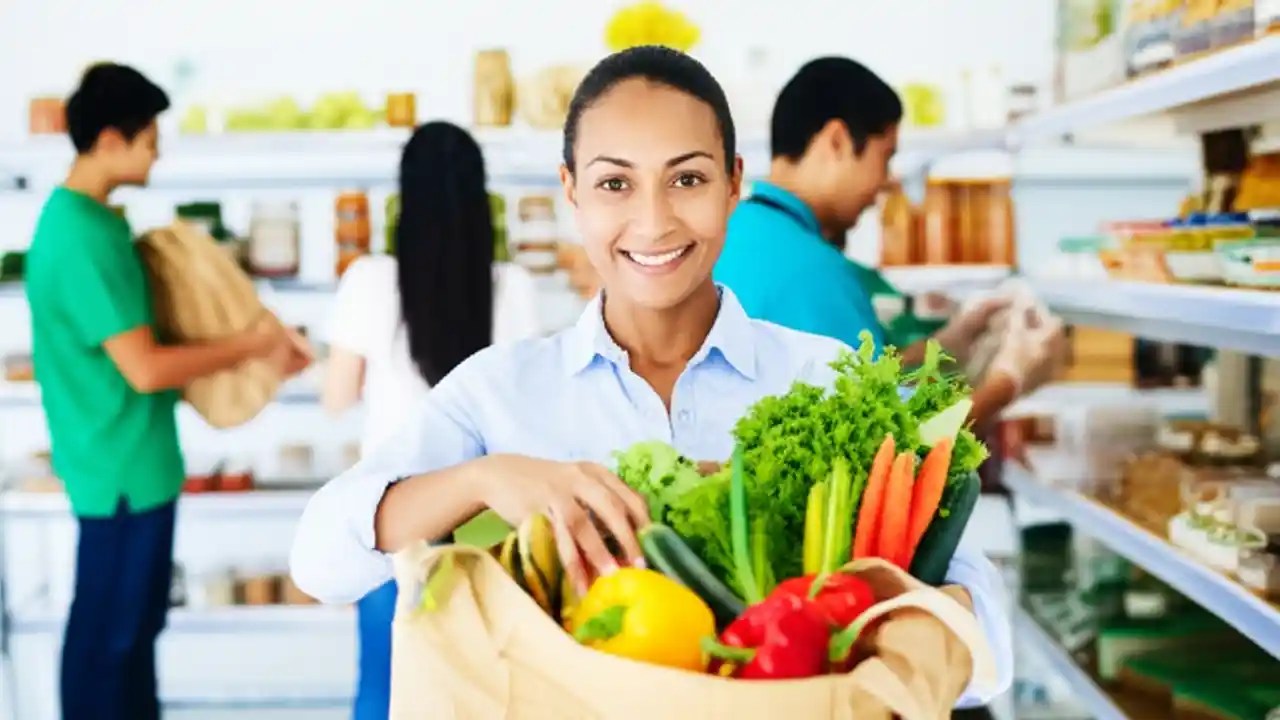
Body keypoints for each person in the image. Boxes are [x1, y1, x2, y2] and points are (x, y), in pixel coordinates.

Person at [291, 46, 1012, 708]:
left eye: (688, 178)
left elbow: (988, 655)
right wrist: (485, 479)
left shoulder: (823, 377)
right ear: (571, 192)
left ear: (734, 183)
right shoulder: (499, 391)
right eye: (614, 183)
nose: (654, 220)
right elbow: (320, 563)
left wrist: (861, 611)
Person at [25, 63, 300, 720]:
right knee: (108, 644)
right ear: (111, 140)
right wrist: (255, 346)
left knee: (128, 637)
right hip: (118, 470)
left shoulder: (95, 222)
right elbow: (145, 368)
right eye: (150, 137)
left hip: (129, 461)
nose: (158, 150)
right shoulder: (82, 235)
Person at [320, 121, 541, 720]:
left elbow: (337, 396)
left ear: (405, 197)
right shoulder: (514, 287)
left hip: (393, 520)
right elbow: (524, 413)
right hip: (484, 532)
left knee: (382, 689)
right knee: (478, 693)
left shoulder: (368, 281)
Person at [714, 57, 1064, 427]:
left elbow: (856, 387)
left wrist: (944, 348)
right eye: (885, 157)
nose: (886, 182)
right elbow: (893, 443)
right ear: (837, 141)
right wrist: (1008, 381)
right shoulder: (812, 271)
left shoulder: (736, 230)